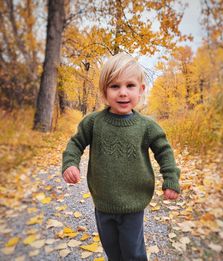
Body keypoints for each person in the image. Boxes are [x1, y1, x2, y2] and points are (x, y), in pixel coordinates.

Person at [62, 53, 181, 261]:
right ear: (104, 92)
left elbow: (164, 151)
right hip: (103, 202)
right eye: (115, 86)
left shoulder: (146, 126)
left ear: (141, 89)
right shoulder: (94, 123)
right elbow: (75, 143)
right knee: (112, 251)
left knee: (133, 252)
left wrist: (170, 179)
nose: (123, 93)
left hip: (133, 203)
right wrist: (70, 163)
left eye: (130, 86)